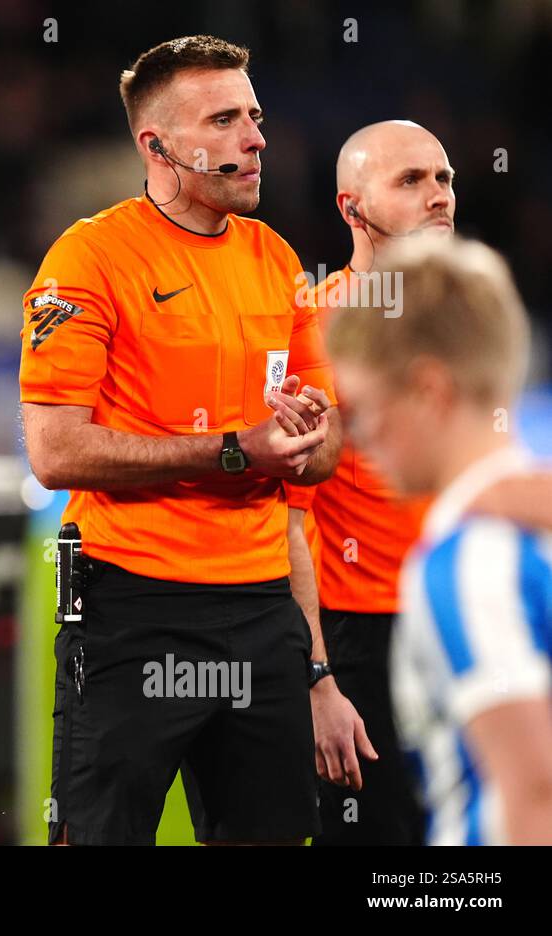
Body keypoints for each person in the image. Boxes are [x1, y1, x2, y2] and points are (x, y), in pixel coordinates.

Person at [20, 35, 343, 845]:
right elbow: (56, 453)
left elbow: (326, 448)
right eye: (226, 120)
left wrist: (307, 439)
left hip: (263, 608)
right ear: (156, 145)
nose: (257, 138)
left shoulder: (276, 261)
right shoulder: (89, 259)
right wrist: (236, 451)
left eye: (256, 117)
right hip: (133, 606)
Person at [326, 237, 552, 845]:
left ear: (429, 392)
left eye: (369, 410)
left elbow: (535, 796)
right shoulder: (528, 527)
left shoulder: (469, 562)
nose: (361, 439)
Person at [285, 120, 455, 845]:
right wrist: (319, 677)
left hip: (455, 620)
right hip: (365, 638)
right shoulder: (317, 325)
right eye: (411, 181)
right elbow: (289, 518)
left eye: (444, 178)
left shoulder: (470, 324)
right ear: (352, 208)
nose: (438, 196)